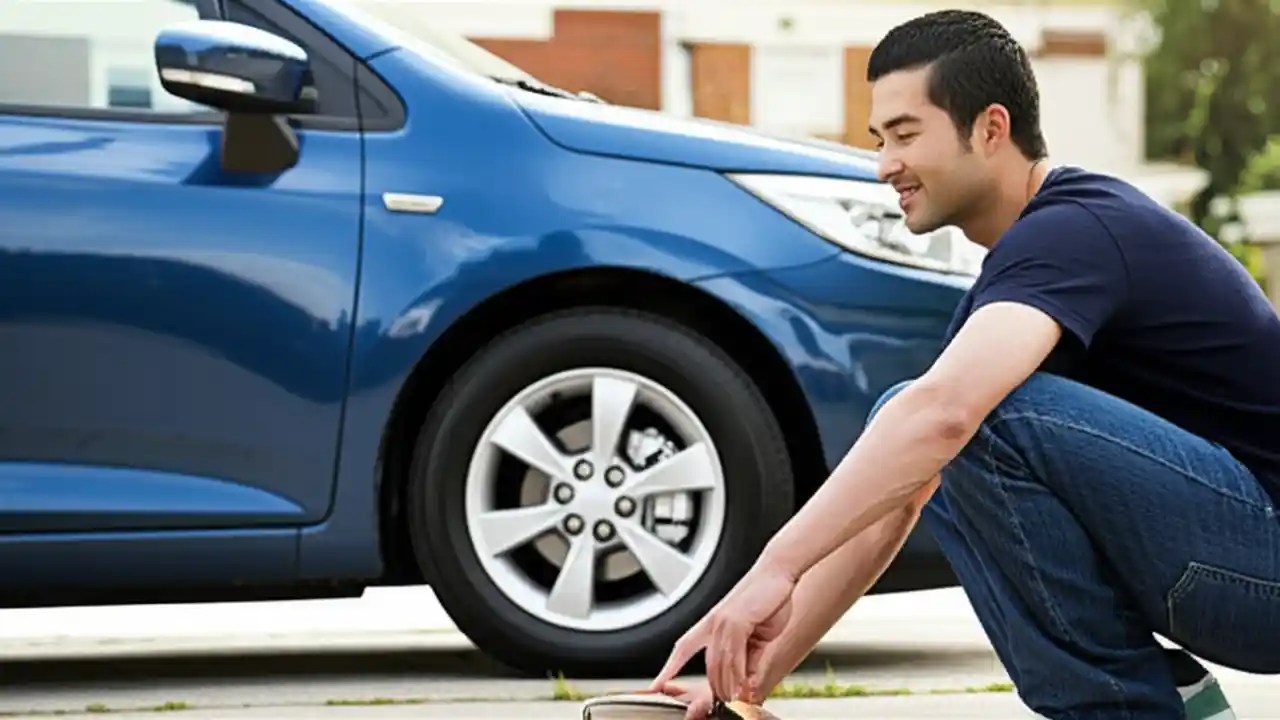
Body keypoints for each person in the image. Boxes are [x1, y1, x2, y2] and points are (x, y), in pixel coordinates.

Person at [648, 9, 1280, 720]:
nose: (885, 164)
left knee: (965, 417)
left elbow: (947, 418)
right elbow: (899, 494)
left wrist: (772, 567)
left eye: (907, 134)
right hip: (1236, 569)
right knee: (916, 425)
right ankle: (1155, 702)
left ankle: (1127, 707)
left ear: (991, 129)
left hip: (1264, 562)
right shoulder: (1021, 275)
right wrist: (739, 689)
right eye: (879, 140)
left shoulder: (1078, 231)